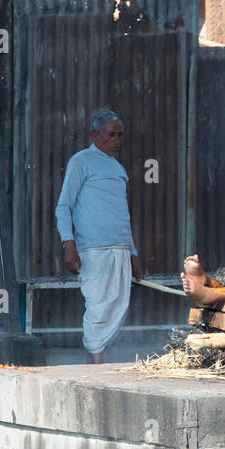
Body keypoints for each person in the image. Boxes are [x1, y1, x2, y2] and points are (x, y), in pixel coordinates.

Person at [55, 109, 144, 363]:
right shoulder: (81, 161)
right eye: (110, 135)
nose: (116, 140)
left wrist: (133, 256)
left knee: (119, 306)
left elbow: (122, 216)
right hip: (93, 249)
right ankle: (96, 365)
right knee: (98, 307)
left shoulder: (118, 169)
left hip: (120, 249)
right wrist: (68, 243)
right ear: (95, 135)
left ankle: (96, 361)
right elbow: (64, 206)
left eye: (120, 135)